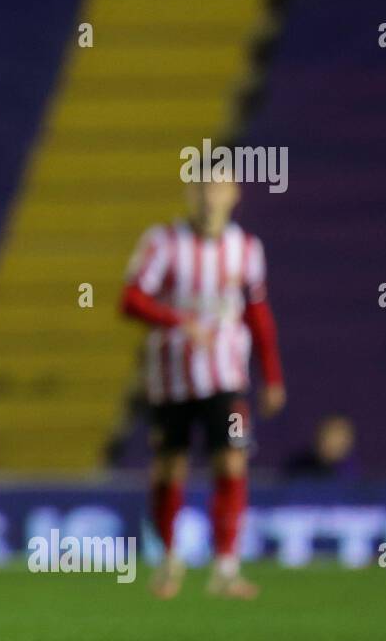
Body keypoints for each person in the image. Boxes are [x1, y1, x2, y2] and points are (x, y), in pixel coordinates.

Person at [120, 171, 285, 599]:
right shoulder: (162, 242)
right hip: (170, 378)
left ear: (234, 194)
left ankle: (226, 568)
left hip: (227, 377)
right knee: (169, 467)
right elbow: (131, 299)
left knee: (231, 462)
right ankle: (168, 560)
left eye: (217, 188)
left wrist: (272, 375)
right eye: (201, 188)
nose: (209, 197)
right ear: (188, 194)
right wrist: (178, 321)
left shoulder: (246, 249)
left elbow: (258, 313)